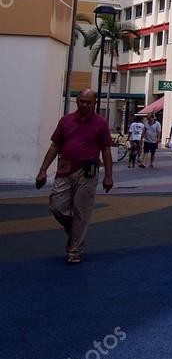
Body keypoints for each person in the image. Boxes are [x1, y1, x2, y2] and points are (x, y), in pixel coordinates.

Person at [34, 89, 113, 263]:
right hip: (65, 169)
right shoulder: (66, 121)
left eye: (88, 102)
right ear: (76, 101)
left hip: (88, 173)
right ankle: (75, 231)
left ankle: (74, 251)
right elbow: (55, 146)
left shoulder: (100, 124)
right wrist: (43, 170)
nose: (84, 105)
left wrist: (108, 176)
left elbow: (106, 150)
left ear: (94, 103)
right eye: (81, 101)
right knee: (57, 207)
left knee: (81, 211)